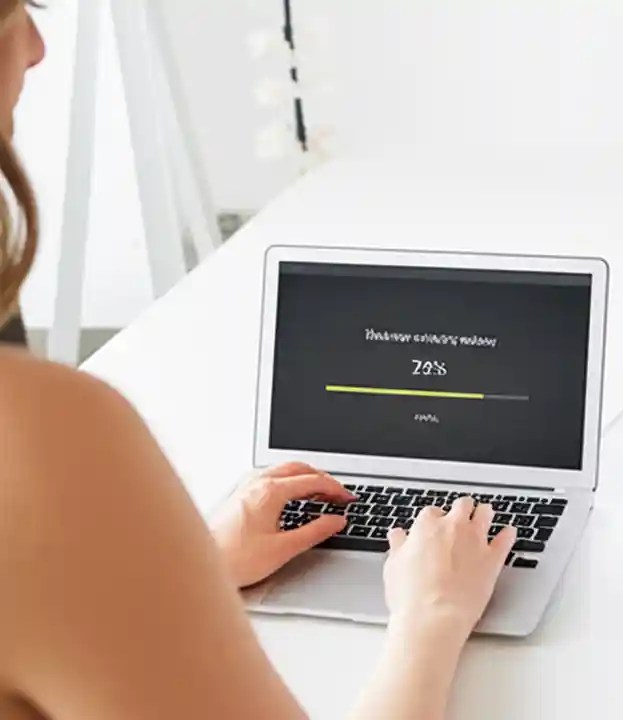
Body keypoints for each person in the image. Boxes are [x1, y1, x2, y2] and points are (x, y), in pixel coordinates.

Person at [0, 2, 518, 718]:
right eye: (9, 12)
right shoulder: (39, 438)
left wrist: (191, 574)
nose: (34, 48)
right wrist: (430, 615)